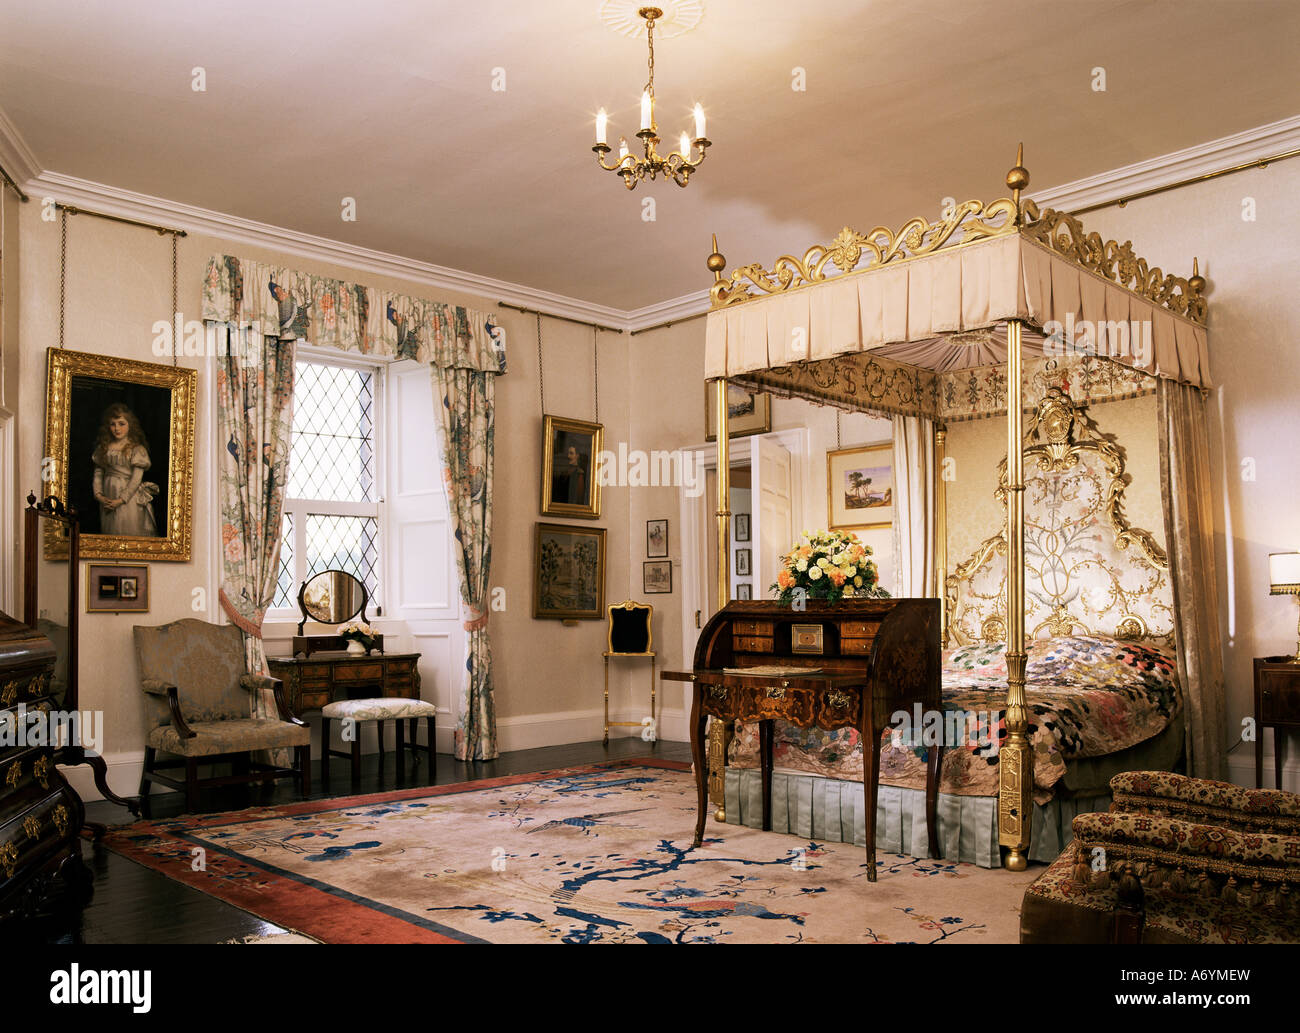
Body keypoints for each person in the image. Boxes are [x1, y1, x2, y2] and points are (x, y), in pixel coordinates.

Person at [92, 403, 160, 536]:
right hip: (108, 495)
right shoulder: (104, 448)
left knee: (129, 527)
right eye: (113, 424)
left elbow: (136, 478)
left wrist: (121, 500)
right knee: (111, 530)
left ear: (130, 425)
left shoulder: (136, 449)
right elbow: (98, 473)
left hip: (129, 497)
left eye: (121, 423)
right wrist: (99, 495)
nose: (117, 428)